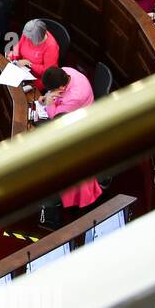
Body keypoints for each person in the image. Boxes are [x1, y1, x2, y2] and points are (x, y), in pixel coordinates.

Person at [39, 66, 103, 212]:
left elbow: (55, 118)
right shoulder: (66, 71)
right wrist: (49, 95)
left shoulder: (75, 96)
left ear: (61, 86)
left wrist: (49, 101)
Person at [9, 19, 60, 89]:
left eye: (31, 40)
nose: (28, 40)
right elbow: (19, 46)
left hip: (37, 79)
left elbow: (47, 72)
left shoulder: (51, 47)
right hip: (22, 69)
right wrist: (12, 57)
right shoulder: (29, 33)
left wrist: (29, 64)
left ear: (39, 39)